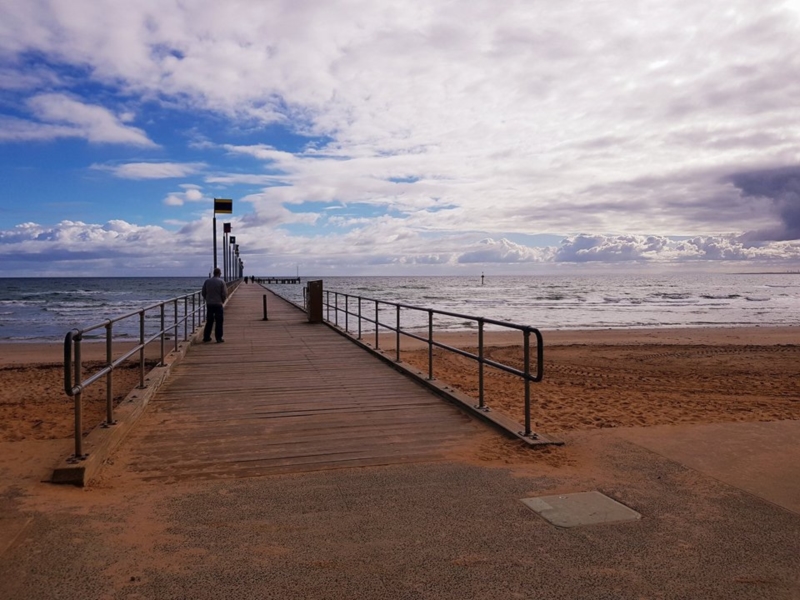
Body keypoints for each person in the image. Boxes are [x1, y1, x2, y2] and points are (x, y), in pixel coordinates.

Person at [202, 268, 228, 343]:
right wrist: (222, 301)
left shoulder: (207, 281)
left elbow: (203, 292)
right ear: (219, 273)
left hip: (209, 304)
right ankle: (219, 338)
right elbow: (224, 293)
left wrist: (207, 299)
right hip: (218, 304)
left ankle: (206, 337)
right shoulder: (221, 282)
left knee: (209, 320)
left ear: (213, 273)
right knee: (219, 321)